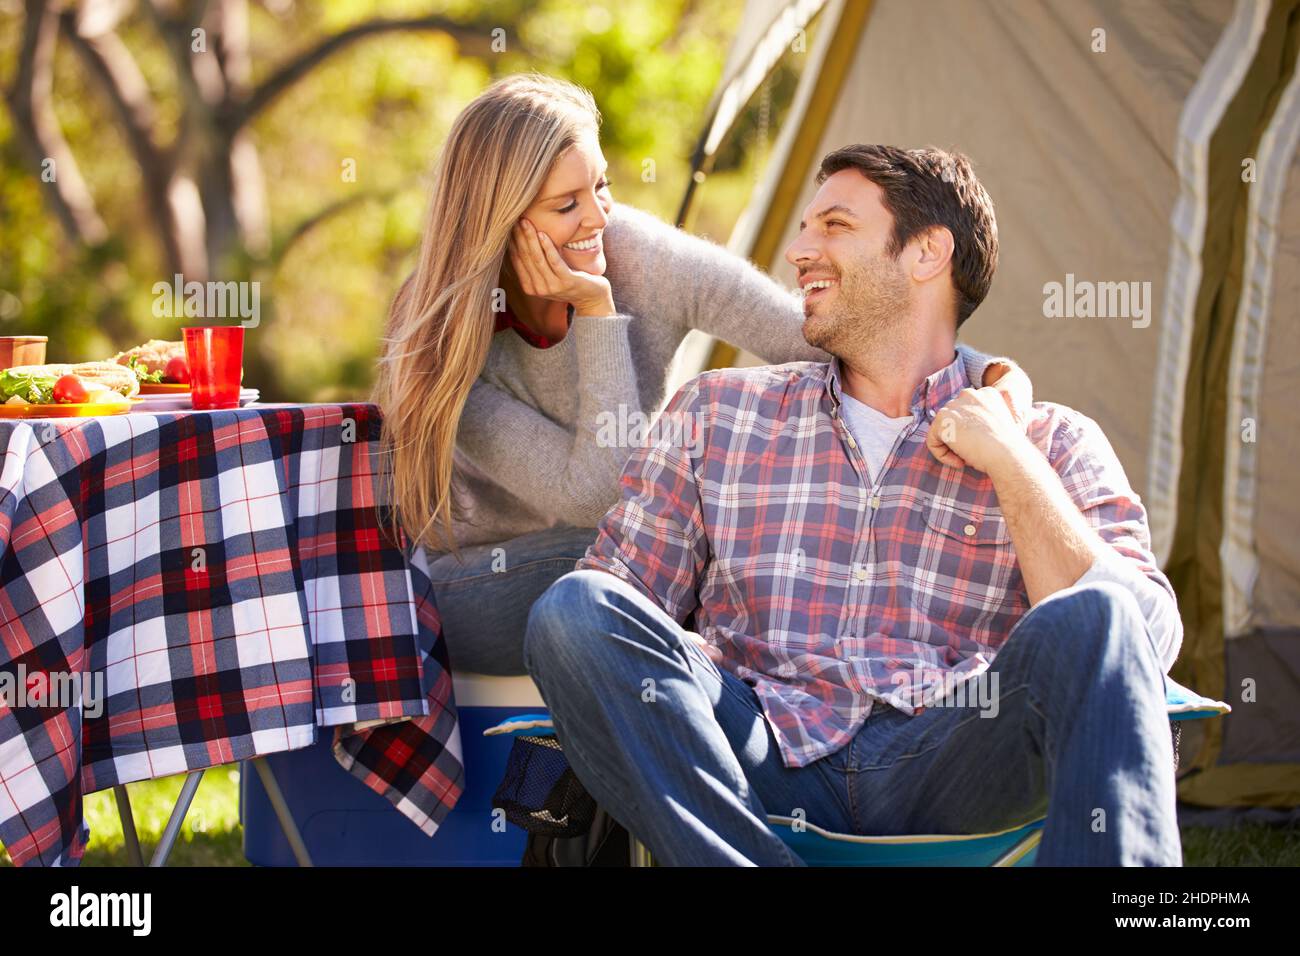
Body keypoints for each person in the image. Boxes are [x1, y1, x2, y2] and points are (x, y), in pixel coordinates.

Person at [524, 144, 1185, 866]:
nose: (800, 251)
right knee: (574, 611)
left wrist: (1012, 461)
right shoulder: (717, 414)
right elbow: (617, 610)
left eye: (834, 226)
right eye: (805, 229)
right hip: (760, 748)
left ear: (928, 252)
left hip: (950, 755)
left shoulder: (1050, 440)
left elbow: (1143, 645)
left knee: (1102, 612)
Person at [372, 74, 1033, 676]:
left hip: (603, 551)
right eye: (566, 204)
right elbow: (597, 499)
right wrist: (597, 313)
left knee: (688, 547)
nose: (600, 218)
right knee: (649, 551)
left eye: (600, 185)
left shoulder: (640, 257)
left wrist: (985, 374)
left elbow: (815, 339)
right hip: (469, 589)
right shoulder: (444, 342)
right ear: (504, 223)